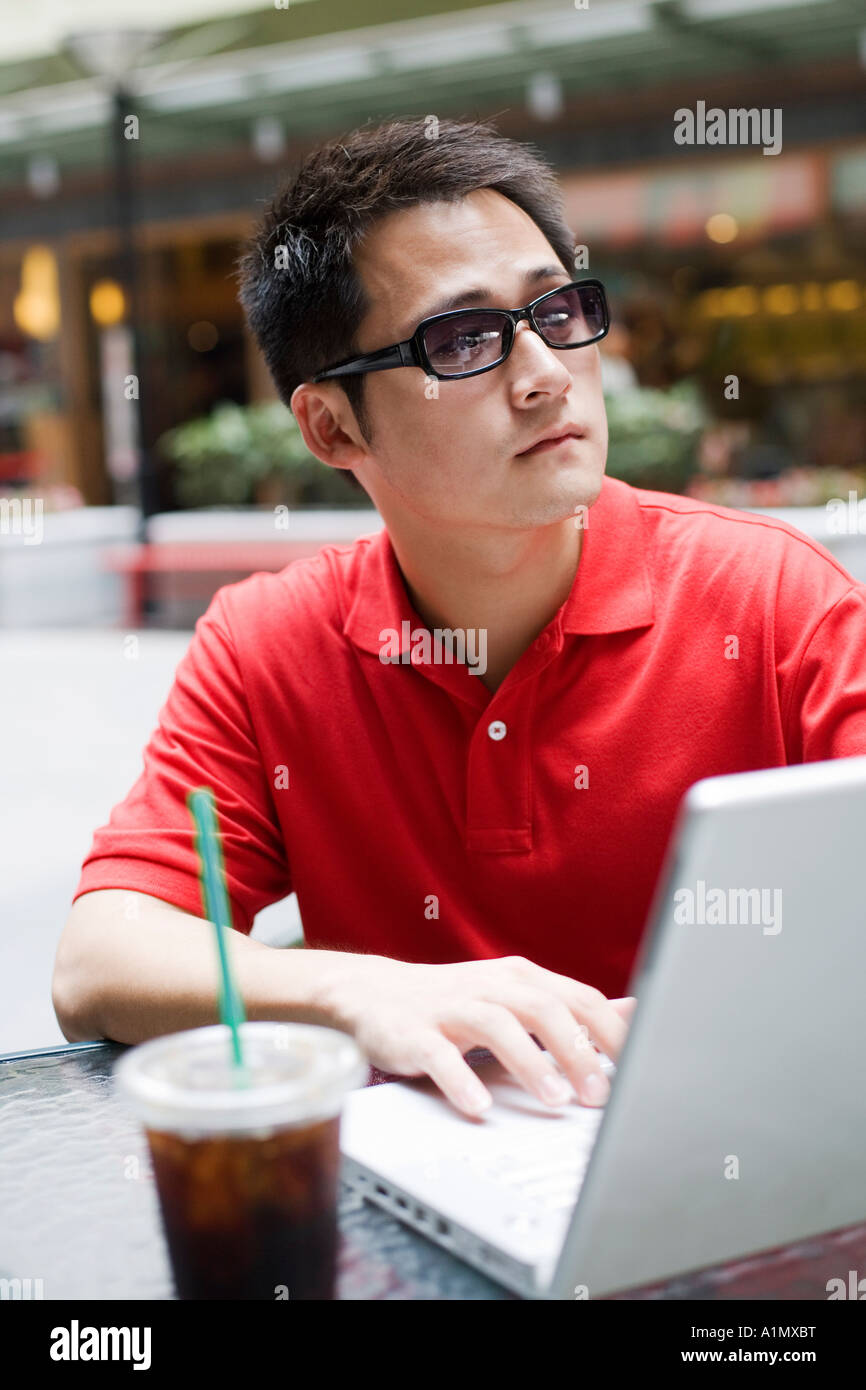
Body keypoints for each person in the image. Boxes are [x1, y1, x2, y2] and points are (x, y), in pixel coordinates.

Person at [53, 118, 866, 1119]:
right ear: (331, 424)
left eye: (555, 311)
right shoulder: (268, 645)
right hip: (426, 1216)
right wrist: (364, 989)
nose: (543, 372)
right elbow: (101, 955)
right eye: (463, 340)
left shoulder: (775, 600)